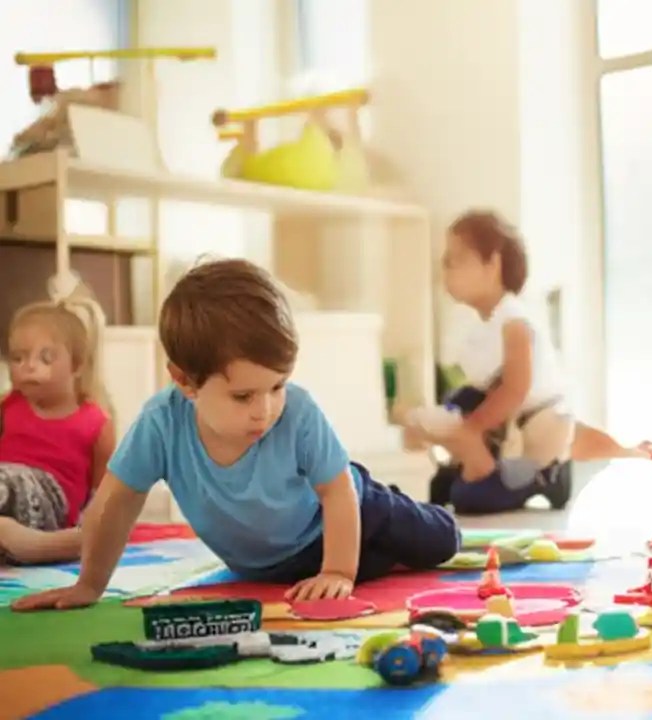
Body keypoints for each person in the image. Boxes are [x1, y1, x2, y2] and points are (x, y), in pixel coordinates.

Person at [13, 258, 461, 610]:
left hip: (349, 510)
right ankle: (363, 561)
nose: (265, 410)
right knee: (381, 567)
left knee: (439, 544)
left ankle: (419, 516)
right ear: (185, 381)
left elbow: (337, 490)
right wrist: (89, 584)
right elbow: (115, 504)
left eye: (277, 386)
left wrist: (338, 572)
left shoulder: (299, 412)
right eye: (244, 395)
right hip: (268, 566)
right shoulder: (161, 424)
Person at [398, 211, 574, 515]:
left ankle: (546, 474)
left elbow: (515, 388)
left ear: (492, 264)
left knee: (469, 498)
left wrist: (471, 428)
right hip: (507, 428)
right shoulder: (484, 325)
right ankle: (472, 464)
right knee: (459, 402)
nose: (445, 269)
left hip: (534, 435)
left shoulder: (514, 321)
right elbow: (479, 390)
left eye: (456, 260)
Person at [0, 288, 113, 564]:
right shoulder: (8, 406)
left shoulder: (95, 421)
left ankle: (40, 544)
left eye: (45, 358)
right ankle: (10, 539)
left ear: (76, 365)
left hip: (51, 503)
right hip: (7, 495)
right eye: (18, 358)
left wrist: (89, 530)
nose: (28, 367)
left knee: (8, 480)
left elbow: (104, 491)